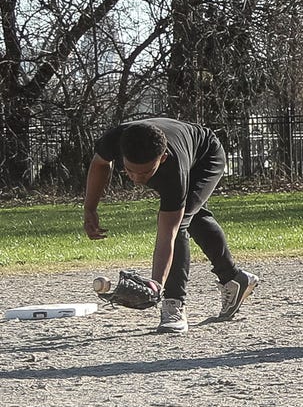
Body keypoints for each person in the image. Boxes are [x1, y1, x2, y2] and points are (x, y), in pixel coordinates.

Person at [82, 119, 258, 334]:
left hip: (206, 156)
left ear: (162, 158)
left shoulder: (173, 170)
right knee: (194, 215)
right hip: (182, 147)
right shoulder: (115, 140)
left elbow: (169, 234)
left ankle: (173, 304)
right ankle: (234, 278)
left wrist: (156, 285)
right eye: (129, 171)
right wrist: (90, 208)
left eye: (145, 173)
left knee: (182, 222)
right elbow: (100, 164)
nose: (137, 179)